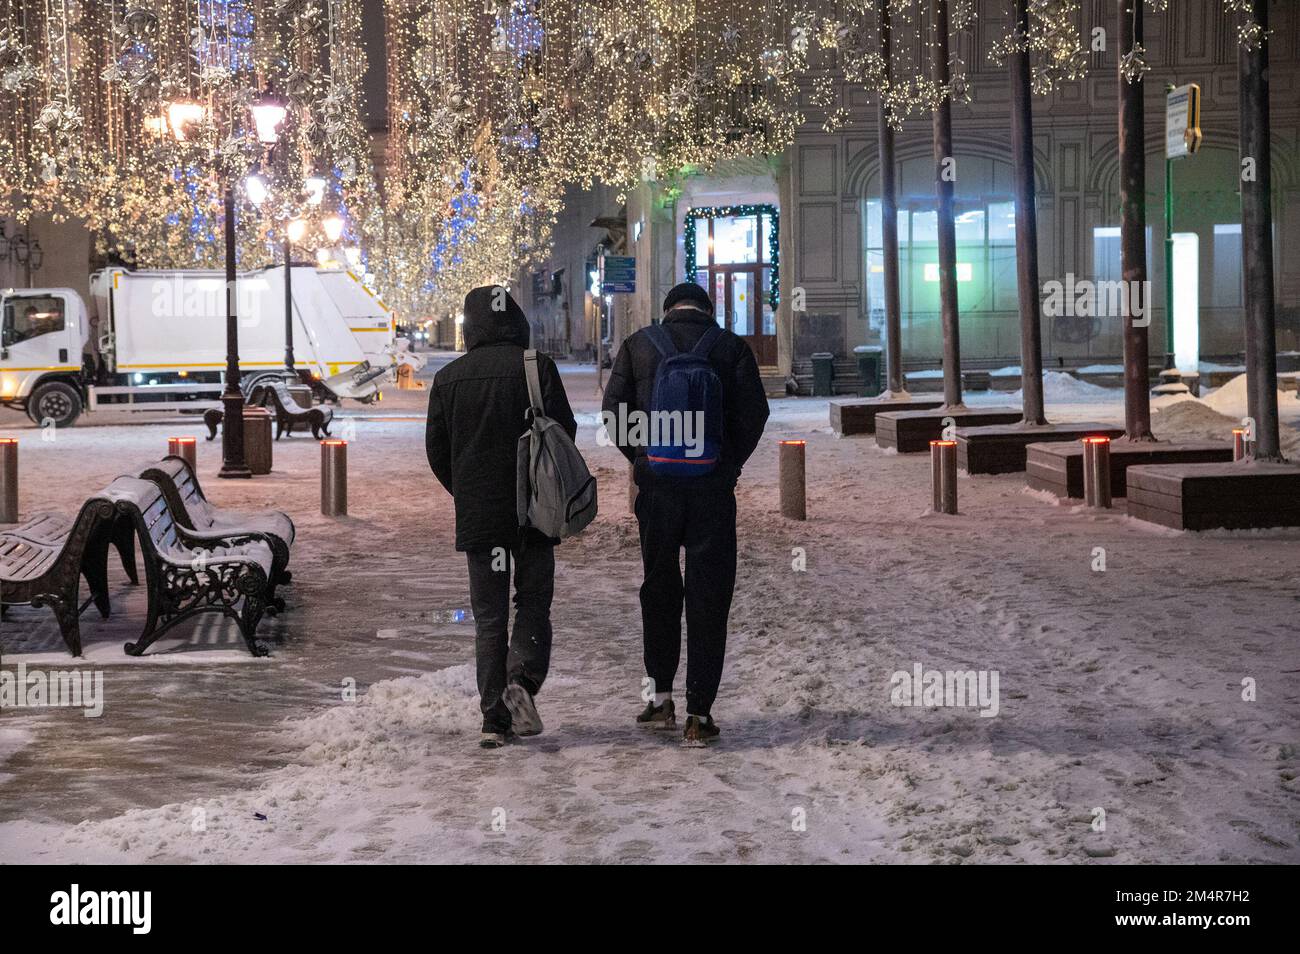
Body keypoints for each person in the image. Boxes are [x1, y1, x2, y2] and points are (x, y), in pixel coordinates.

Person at [602, 282, 769, 746]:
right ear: (708, 311)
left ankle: (659, 701)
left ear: (668, 310)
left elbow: (613, 412)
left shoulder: (639, 345)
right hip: (712, 492)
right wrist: (727, 463)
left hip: (658, 493)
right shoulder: (731, 347)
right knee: (708, 596)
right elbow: (755, 412)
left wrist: (643, 459)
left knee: (658, 589)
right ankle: (700, 713)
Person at [426, 285, 577, 749]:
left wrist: (469, 492)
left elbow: (437, 452)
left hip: (481, 520)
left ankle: (493, 719)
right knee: (532, 601)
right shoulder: (537, 368)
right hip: (534, 513)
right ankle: (522, 682)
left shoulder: (449, 378)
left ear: (471, 327)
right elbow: (564, 433)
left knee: (488, 616)